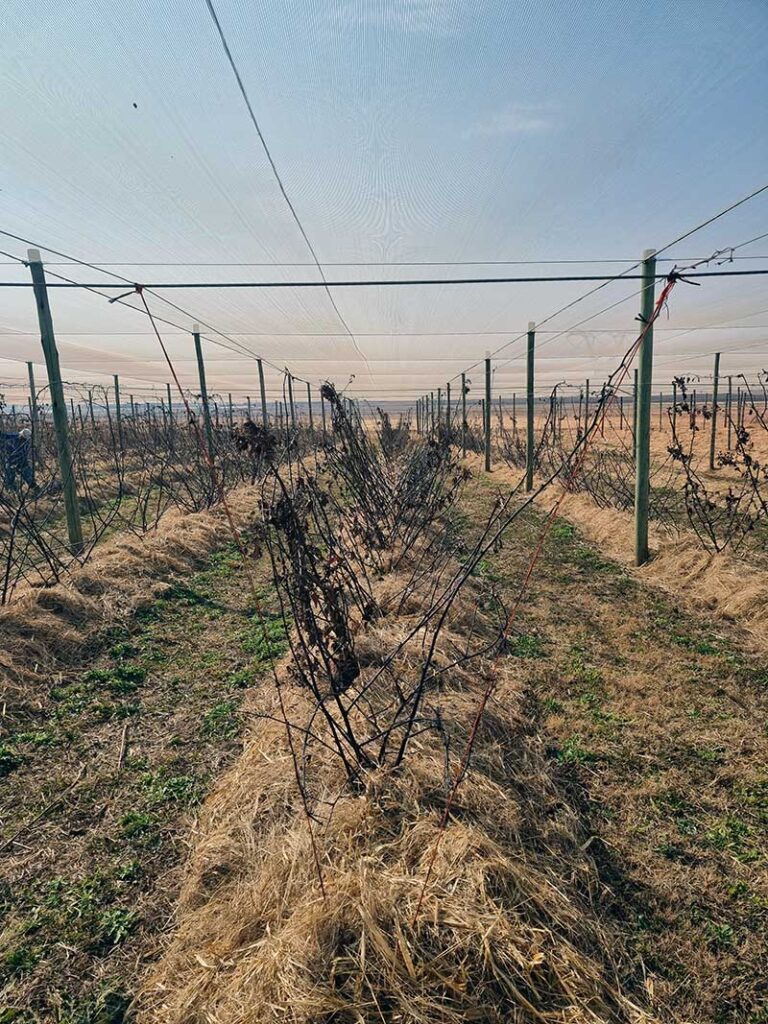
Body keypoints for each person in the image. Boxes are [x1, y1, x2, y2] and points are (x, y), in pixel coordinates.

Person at [2, 427, 36, 491]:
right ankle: (10, 490)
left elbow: (24, 453)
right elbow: (5, 436)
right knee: (9, 477)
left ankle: (33, 486)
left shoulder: (26, 443)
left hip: (21, 460)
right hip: (11, 460)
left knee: (27, 473)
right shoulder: (14, 436)